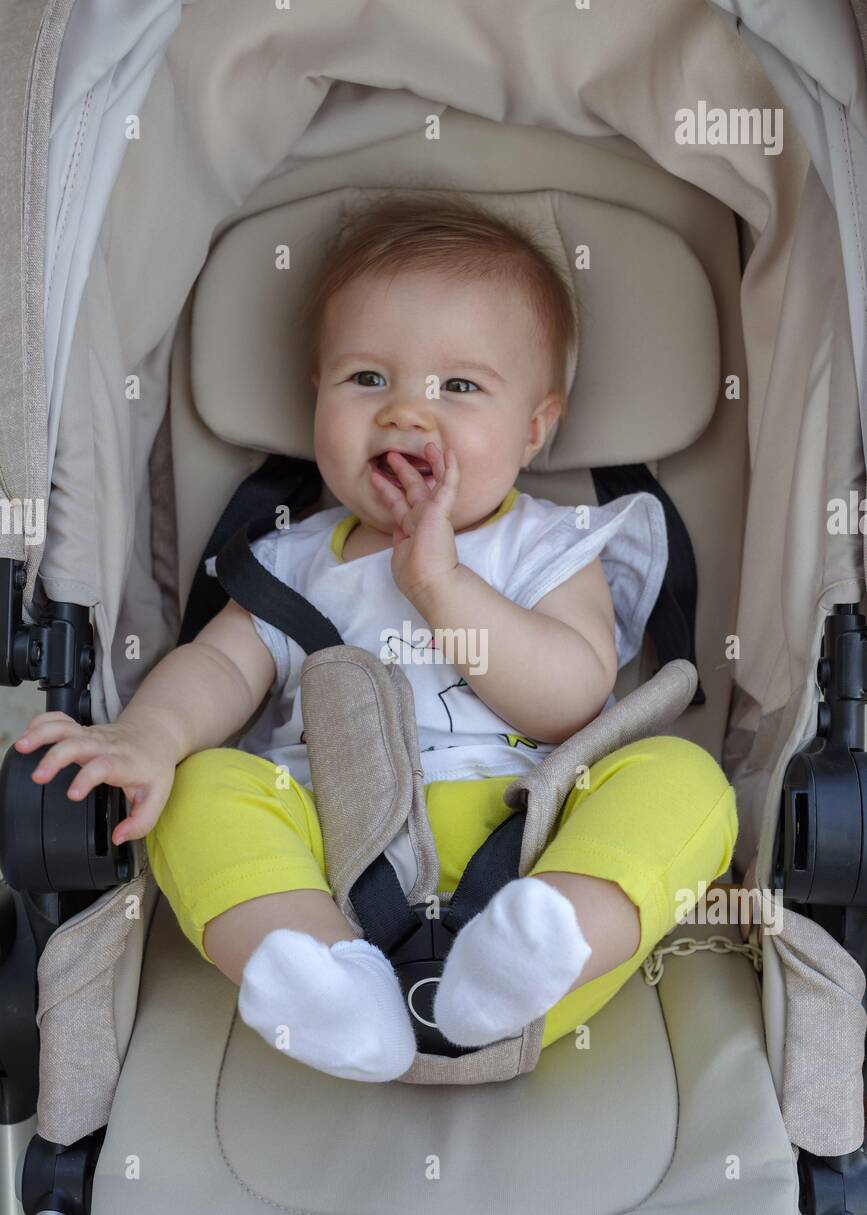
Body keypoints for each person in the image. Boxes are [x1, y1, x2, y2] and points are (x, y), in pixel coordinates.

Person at [14, 192, 738, 1083]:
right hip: (330, 854)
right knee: (201, 787)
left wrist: (440, 586)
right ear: (314, 394)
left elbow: (571, 698)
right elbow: (215, 667)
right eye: (367, 380)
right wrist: (148, 737)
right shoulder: (291, 557)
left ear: (536, 427)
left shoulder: (549, 545)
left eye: (459, 387)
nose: (406, 414)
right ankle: (317, 971)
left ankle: (541, 941)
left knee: (685, 783)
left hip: (529, 842)